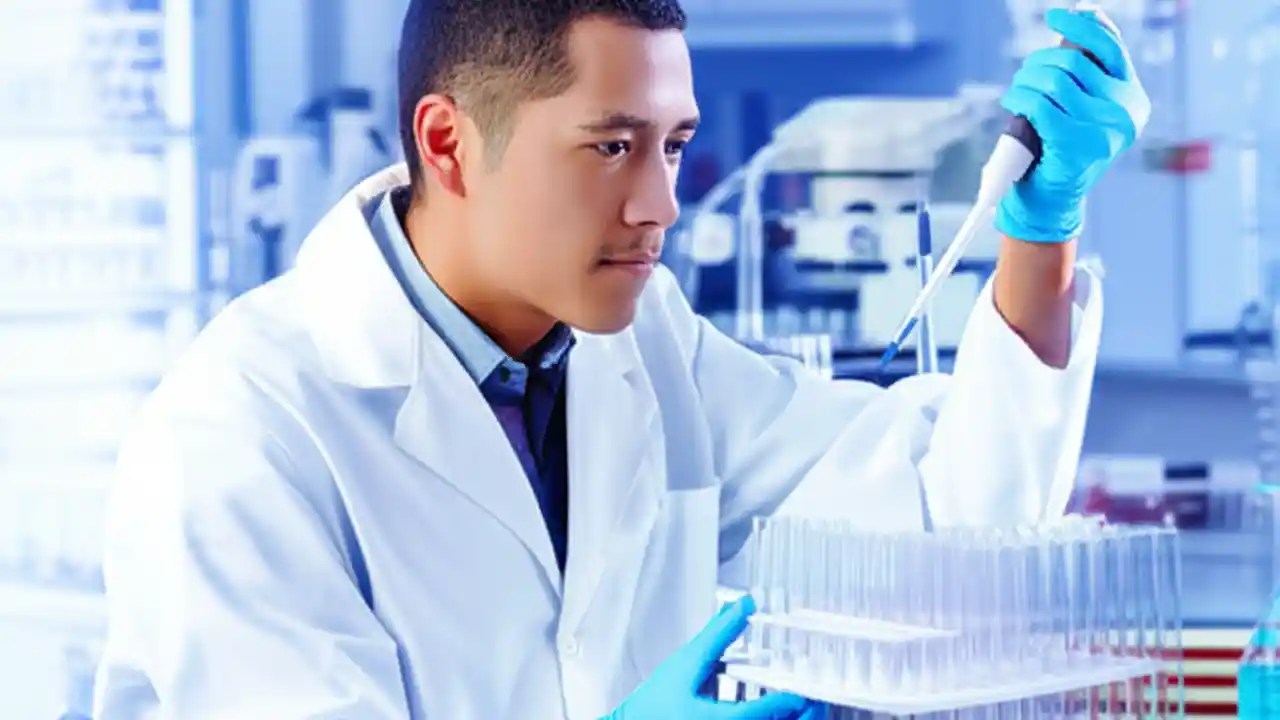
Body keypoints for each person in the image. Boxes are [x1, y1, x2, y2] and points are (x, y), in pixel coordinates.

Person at [92, 1, 1149, 718]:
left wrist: (1038, 230)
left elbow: (942, 526)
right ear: (449, 143)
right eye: (609, 147)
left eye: (672, 144)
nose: (660, 206)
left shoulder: (640, 345)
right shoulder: (243, 435)